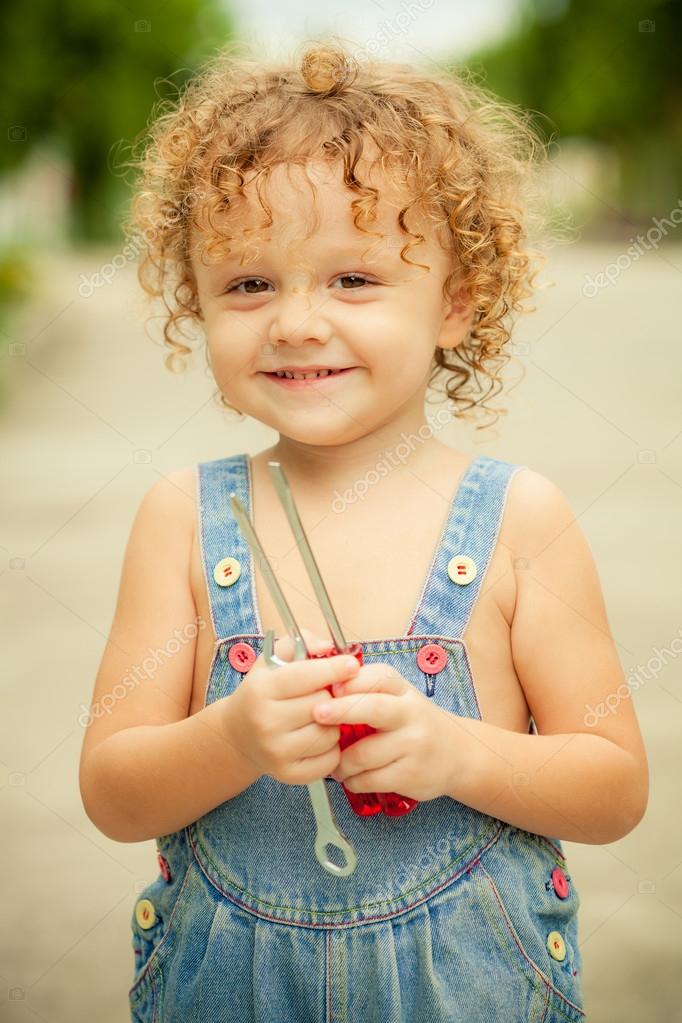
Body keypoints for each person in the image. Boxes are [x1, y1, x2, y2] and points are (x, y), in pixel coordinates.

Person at [78, 39, 648, 1022]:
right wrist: (232, 736)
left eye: (352, 280)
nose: (296, 322)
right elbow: (113, 793)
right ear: (197, 303)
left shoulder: (519, 520)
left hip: (470, 984)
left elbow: (611, 788)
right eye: (249, 284)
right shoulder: (184, 518)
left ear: (456, 302)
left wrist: (458, 753)